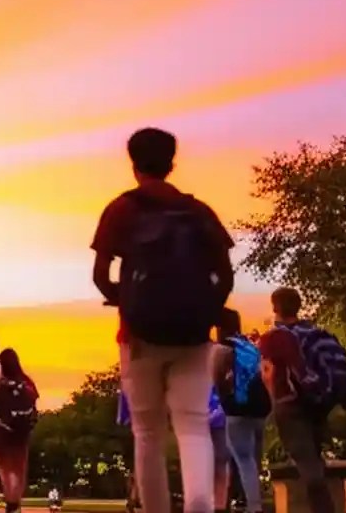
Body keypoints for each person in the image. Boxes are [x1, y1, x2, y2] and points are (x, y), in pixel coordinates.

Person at [92, 128, 235, 513]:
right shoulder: (199, 211)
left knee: (147, 433)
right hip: (193, 336)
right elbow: (226, 275)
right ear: (172, 163)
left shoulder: (121, 209)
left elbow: (101, 276)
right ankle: (200, 504)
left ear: (133, 163)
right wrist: (204, 309)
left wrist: (128, 302)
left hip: (139, 336)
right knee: (193, 425)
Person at [258, 288, 334, 513]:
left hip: (289, 404)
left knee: (307, 465)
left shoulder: (274, 338)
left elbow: (268, 373)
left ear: (275, 307)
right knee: (315, 460)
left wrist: (274, 400)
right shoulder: (313, 332)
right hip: (318, 402)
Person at [212, 309, 270, 513]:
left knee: (243, 460)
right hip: (261, 410)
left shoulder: (221, 350)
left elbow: (214, 381)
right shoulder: (250, 347)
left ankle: (254, 507)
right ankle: (248, 501)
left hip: (236, 411)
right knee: (253, 459)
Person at [0, 349, 38, 513]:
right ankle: (15, 502)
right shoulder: (27, 383)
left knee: (5, 469)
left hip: (1, 434)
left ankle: (10, 500)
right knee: (19, 468)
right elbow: (34, 402)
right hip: (21, 433)